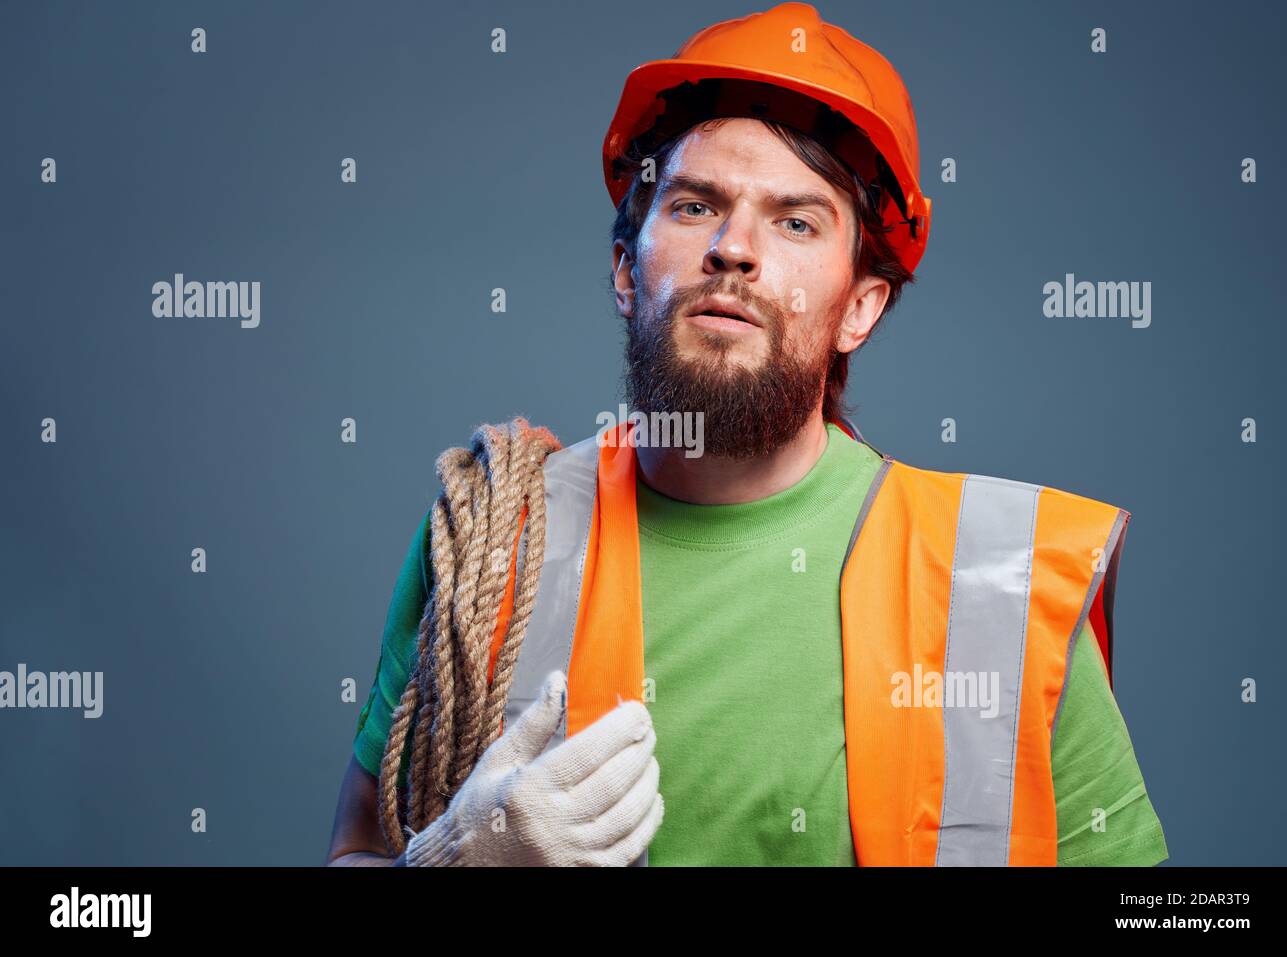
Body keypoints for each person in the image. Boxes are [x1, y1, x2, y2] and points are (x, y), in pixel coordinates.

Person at [326, 1, 1168, 867]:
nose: (735, 248)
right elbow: (356, 850)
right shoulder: (491, 544)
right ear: (626, 268)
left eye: (796, 221)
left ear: (860, 305)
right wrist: (458, 859)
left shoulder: (1002, 583)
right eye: (694, 206)